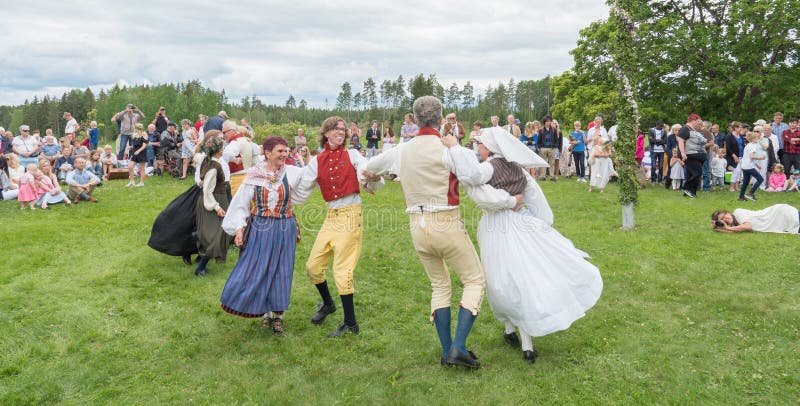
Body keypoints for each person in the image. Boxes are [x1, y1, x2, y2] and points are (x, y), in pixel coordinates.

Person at [446, 126, 602, 363]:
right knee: (517, 276)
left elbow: (470, 175)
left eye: (481, 144)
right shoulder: (519, 169)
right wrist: (543, 223)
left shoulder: (489, 167)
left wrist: (455, 149)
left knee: (501, 279)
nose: (479, 148)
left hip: (497, 227)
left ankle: (518, 336)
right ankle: (514, 335)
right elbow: (535, 196)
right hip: (520, 225)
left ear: (490, 147)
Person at [364, 96, 491, 369]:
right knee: (474, 279)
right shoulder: (448, 148)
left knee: (439, 284)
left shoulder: (402, 150)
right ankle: (457, 347)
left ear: (415, 118)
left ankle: (447, 353)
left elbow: (369, 168)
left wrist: (376, 178)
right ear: (441, 118)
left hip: (416, 225)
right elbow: (474, 174)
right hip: (445, 219)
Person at [295, 116, 384, 338]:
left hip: (350, 214)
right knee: (313, 267)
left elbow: (365, 170)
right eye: (335, 129)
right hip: (331, 216)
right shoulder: (317, 161)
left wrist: (370, 180)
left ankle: (351, 323)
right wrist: (281, 199)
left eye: (343, 129)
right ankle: (328, 304)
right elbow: (303, 188)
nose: (340, 132)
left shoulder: (352, 154)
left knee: (342, 270)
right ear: (325, 133)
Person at [219, 137, 310, 334]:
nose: (284, 155)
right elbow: (241, 204)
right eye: (280, 151)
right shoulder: (254, 176)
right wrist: (239, 229)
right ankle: (264, 312)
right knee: (258, 268)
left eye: (286, 151)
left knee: (282, 269)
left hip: (285, 228)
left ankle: (278, 316)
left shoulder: (293, 172)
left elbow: (312, 177)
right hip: (261, 227)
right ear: (268, 153)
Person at [194, 131, 232, 275]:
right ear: (217, 151)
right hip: (214, 200)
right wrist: (216, 207)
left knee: (217, 233)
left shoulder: (205, 159)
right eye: (221, 147)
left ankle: (201, 263)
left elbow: (197, 155)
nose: (223, 149)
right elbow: (207, 191)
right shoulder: (214, 167)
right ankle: (201, 268)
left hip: (215, 199)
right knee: (218, 234)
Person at [222, 119, 261, 196]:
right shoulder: (245, 140)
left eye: (224, 133)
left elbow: (227, 154)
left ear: (232, 131)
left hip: (238, 178)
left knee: (238, 205)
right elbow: (258, 150)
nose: (223, 135)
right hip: (250, 177)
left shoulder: (235, 142)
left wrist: (234, 160)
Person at [677, 114, 712, 198]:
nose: (699, 124)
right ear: (693, 120)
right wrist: (682, 153)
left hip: (697, 155)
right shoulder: (685, 129)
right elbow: (680, 140)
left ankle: (690, 192)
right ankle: (686, 188)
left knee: (691, 174)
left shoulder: (693, 130)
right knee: (697, 173)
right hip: (690, 155)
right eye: (698, 121)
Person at [712, 204, 800, 234]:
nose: (725, 219)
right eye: (723, 220)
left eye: (724, 216)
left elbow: (748, 226)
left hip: (780, 214)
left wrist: (727, 228)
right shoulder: (737, 224)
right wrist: (718, 228)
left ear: (728, 212)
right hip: (780, 218)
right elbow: (733, 231)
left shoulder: (738, 212)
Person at [739, 131, 766, 201]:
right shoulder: (753, 146)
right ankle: (750, 193)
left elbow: (747, 157)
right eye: (757, 138)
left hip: (744, 166)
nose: (758, 139)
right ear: (753, 139)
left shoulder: (748, 145)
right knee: (760, 179)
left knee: (745, 182)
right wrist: (761, 157)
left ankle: (741, 197)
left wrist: (757, 165)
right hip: (749, 167)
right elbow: (752, 156)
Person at [536, 116, 559, 181]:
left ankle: (552, 176)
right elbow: (539, 140)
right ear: (544, 122)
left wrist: (554, 147)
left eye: (550, 121)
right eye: (547, 121)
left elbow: (556, 139)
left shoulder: (553, 130)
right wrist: (540, 148)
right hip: (543, 148)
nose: (549, 122)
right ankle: (542, 176)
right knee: (543, 162)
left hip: (551, 148)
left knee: (552, 162)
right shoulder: (541, 130)